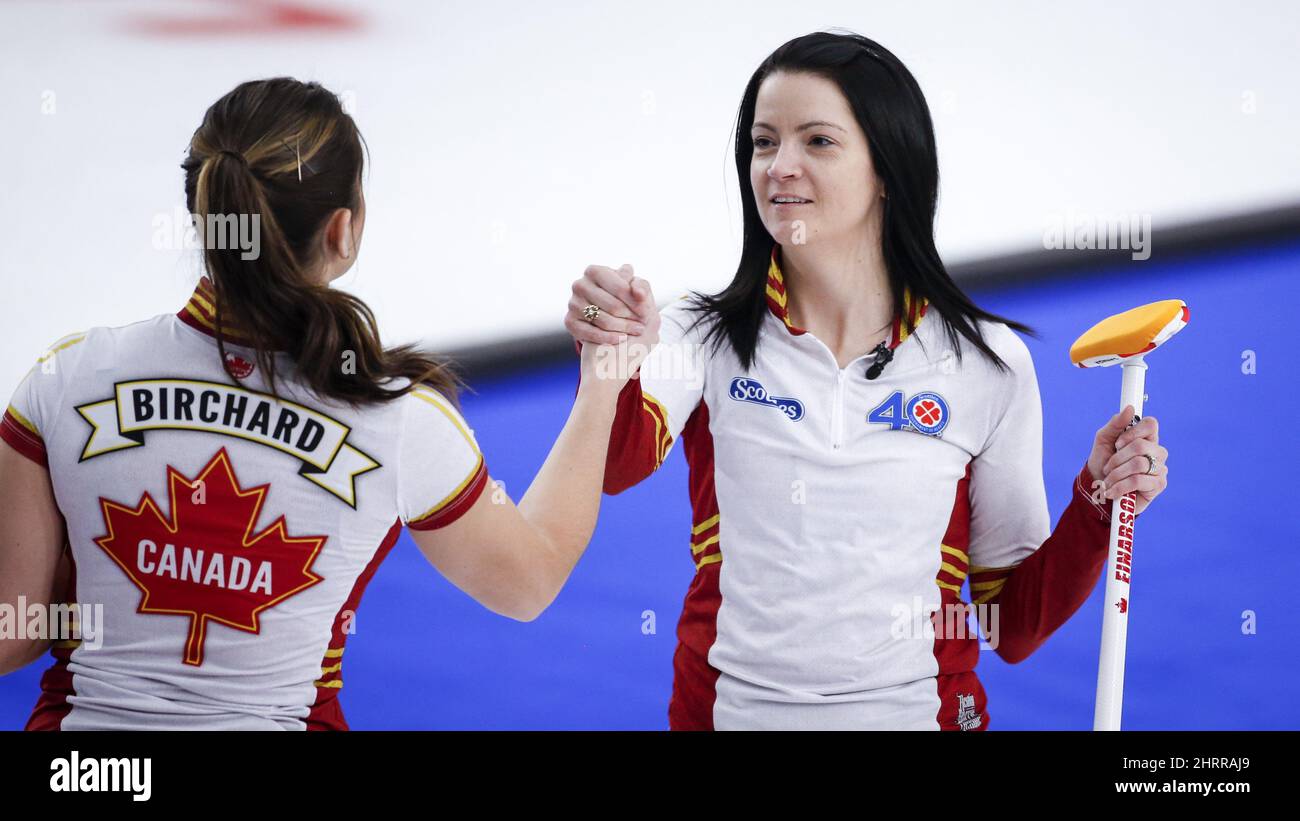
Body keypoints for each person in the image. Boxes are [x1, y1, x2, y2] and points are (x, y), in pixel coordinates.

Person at [0, 77, 658, 730]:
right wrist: (604, 374)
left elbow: (13, 633)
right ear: (343, 229)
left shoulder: (67, 376)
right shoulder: (400, 418)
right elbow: (529, 582)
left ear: (203, 215)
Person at [565, 31, 1170, 730]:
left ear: (887, 168)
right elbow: (612, 467)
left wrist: (1099, 502)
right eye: (764, 142)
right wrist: (610, 358)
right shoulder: (699, 333)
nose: (779, 167)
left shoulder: (987, 361)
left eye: (817, 141)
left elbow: (1012, 623)